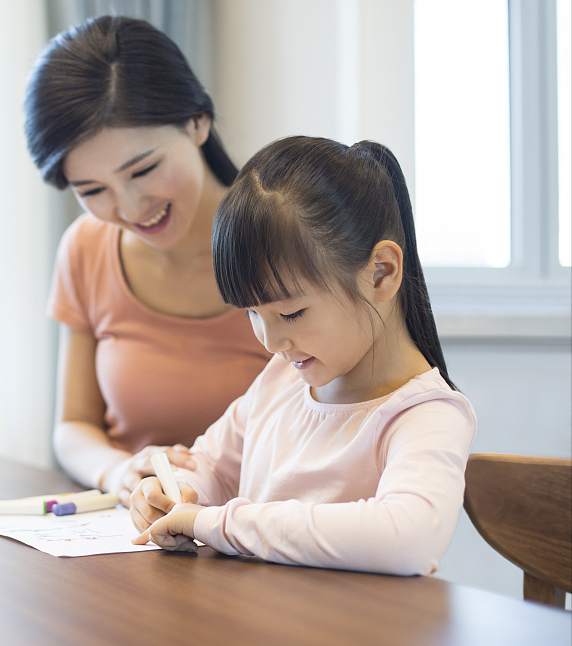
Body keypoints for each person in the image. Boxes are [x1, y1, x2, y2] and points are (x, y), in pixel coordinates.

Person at [130, 136, 477, 576]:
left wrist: (220, 523)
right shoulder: (283, 376)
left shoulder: (424, 414)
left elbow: (407, 538)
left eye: (290, 313)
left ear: (381, 273)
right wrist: (177, 493)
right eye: (253, 313)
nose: (270, 341)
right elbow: (211, 465)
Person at [24, 16, 270, 502]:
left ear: (197, 121)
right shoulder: (87, 249)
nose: (131, 209)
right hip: (135, 537)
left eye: (144, 169)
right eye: (92, 190)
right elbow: (73, 426)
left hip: (267, 534)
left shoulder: (291, 242)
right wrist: (120, 473)